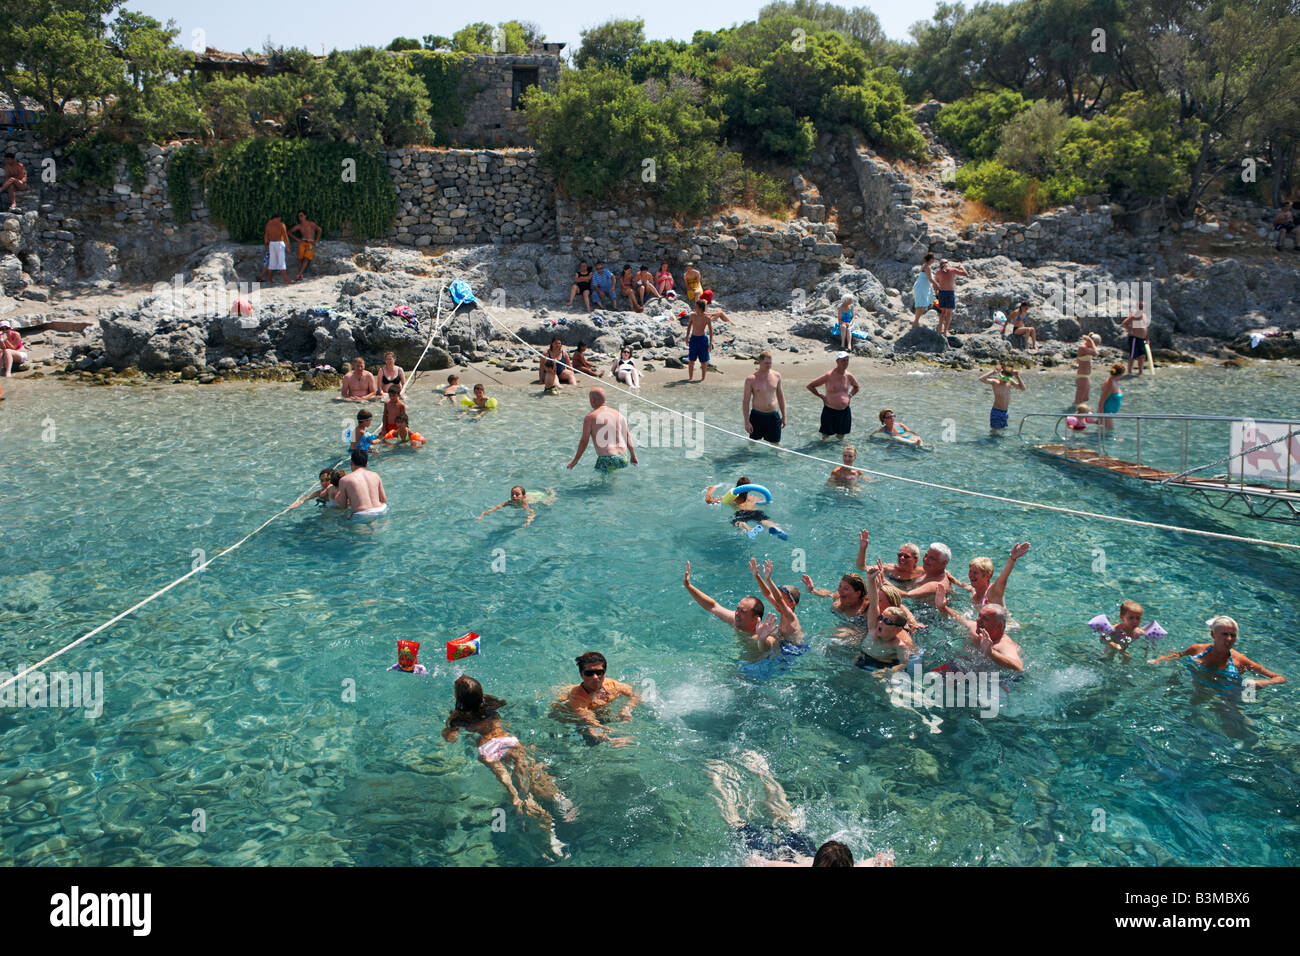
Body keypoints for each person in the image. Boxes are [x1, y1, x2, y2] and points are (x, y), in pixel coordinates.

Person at [444, 674, 571, 855]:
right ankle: (560, 800)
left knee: (514, 788)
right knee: (532, 771)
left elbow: (449, 736)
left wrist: (451, 731)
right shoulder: (490, 704)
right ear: (481, 694)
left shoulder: (458, 717)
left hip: (489, 750)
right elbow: (504, 706)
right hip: (509, 740)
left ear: (458, 699)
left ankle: (544, 828)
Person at [1148, 616, 1285, 692]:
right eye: (1225, 634)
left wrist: (1264, 683)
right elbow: (1178, 655)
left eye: (1233, 635)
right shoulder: (1197, 649)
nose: (1229, 639)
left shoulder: (1240, 660)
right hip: (1196, 685)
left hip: (1224, 691)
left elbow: (1280, 678)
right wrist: (1160, 659)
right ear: (1213, 634)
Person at [558, 651, 640, 746]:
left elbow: (636, 694)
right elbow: (590, 723)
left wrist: (627, 708)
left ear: (604, 673)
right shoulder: (578, 697)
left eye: (599, 672)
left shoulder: (612, 685)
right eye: (589, 673)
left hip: (596, 712)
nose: (595, 677)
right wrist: (615, 737)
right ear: (581, 675)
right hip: (567, 715)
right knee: (589, 731)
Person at [858, 559, 921, 676]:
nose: (880, 621)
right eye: (881, 618)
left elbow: (907, 663)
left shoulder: (902, 643)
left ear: (897, 629)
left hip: (882, 667)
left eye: (886, 621)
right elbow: (873, 603)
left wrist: (887, 672)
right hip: (862, 661)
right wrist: (870, 579)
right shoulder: (874, 626)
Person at [682, 560, 764, 637]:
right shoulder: (735, 620)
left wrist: (762, 640)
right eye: (737, 609)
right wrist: (688, 586)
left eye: (742, 611)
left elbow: (767, 645)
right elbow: (712, 606)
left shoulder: (762, 634)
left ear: (755, 619)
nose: (736, 614)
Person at [939, 603, 1025, 674]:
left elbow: (1019, 666)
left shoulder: (1004, 645)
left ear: (998, 626)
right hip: (964, 667)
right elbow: (959, 618)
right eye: (979, 616)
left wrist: (991, 653)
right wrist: (943, 607)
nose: (978, 620)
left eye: (985, 619)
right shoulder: (975, 628)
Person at [566, 387, 638, 473]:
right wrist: (633, 456)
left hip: (607, 458)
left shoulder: (590, 417)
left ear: (593, 400)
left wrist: (575, 461)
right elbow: (627, 437)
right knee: (613, 480)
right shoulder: (619, 414)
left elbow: (584, 442)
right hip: (623, 457)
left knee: (603, 485)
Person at [705, 476, 787, 539]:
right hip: (755, 512)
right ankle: (776, 528)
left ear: (737, 488)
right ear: (750, 489)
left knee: (739, 522)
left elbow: (708, 500)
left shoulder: (733, 500)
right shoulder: (754, 498)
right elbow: (766, 502)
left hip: (741, 513)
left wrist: (711, 490)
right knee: (764, 520)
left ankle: (749, 529)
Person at [807, 352, 860, 440]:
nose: (845, 363)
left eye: (847, 361)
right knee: (825, 436)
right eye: (843, 360)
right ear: (837, 361)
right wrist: (821, 396)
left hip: (845, 411)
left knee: (841, 436)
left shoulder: (849, 376)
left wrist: (850, 396)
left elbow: (857, 387)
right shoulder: (829, 375)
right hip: (830, 410)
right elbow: (810, 386)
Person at [965, 542, 1030, 610]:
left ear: (987, 576)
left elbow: (1003, 578)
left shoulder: (993, 592)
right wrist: (952, 579)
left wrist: (1012, 559)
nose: (971, 575)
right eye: (970, 571)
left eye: (975, 572)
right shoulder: (974, 591)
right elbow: (962, 584)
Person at [742, 351, 786, 445]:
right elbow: (746, 402)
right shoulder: (751, 379)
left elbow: (781, 397)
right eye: (766, 363)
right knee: (753, 444)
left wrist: (784, 416)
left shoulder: (777, 376)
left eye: (770, 363)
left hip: (773, 416)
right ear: (759, 361)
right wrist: (746, 422)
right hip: (757, 416)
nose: (769, 365)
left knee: (775, 444)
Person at [899, 542, 957, 607]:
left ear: (944, 563)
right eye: (926, 555)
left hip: (925, 613)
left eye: (932, 558)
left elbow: (906, 595)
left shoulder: (936, 585)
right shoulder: (932, 571)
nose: (925, 559)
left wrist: (885, 581)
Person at [336, 448, 388, 521]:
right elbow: (383, 499)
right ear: (367, 463)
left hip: (362, 514)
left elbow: (343, 506)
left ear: (351, 462)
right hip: (381, 510)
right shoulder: (375, 475)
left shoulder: (344, 480)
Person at [477, 485, 555, 527]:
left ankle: (552, 491)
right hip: (529, 494)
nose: (514, 496)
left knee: (550, 501)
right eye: (512, 494)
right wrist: (484, 513)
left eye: (517, 495)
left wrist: (528, 521)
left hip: (538, 497)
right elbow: (497, 507)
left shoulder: (524, 503)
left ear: (523, 496)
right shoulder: (510, 502)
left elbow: (532, 513)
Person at [979, 363, 1025, 431]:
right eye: (1004, 378)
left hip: (1005, 412)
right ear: (1001, 375)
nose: (1005, 380)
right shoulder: (995, 382)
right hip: (996, 412)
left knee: (1003, 430)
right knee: (995, 432)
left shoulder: (1010, 382)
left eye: (1008, 378)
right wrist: (993, 371)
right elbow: (981, 379)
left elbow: (1023, 388)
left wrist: (1017, 376)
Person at [933, 258, 968, 335]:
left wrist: (936, 294)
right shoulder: (952, 270)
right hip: (949, 293)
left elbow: (935, 285)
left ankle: (939, 330)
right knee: (949, 314)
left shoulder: (938, 273)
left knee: (943, 312)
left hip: (941, 293)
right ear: (947, 264)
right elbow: (965, 274)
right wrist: (961, 267)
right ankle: (945, 331)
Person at [685, 299, 716, 383]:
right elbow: (689, 327)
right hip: (694, 339)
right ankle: (690, 378)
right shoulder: (692, 315)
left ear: (700, 308)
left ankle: (702, 378)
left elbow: (710, 331)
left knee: (704, 361)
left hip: (703, 340)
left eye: (696, 306)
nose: (694, 307)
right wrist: (687, 337)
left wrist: (710, 344)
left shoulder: (707, 318)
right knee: (691, 360)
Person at [289, 211, 321, 281]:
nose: (300, 218)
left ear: (305, 216)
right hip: (303, 242)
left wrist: (315, 241)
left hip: (310, 243)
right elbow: (290, 232)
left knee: (306, 258)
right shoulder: (299, 226)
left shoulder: (311, 223)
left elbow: (319, 230)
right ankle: (300, 275)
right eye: (299, 216)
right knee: (300, 259)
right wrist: (298, 240)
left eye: (301, 216)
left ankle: (299, 274)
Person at [259, 213, 290, 284]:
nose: (280, 219)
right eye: (279, 218)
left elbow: (266, 235)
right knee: (282, 262)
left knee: (271, 262)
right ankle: (285, 279)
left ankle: (270, 280)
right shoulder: (281, 225)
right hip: (279, 244)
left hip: (271, 244)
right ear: (277, 218)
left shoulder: (268, 224)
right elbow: (285, 236)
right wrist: (288, 246)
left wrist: (267, 244)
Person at [1120, 302, 1150, 375]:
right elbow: (1124, 323)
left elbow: (1146, 327)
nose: (1142, 308)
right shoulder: (1134, 315)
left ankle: (1140, 371)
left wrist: (1147, 338)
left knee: (1142, 356)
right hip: (1135, 338)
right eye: (1140, 307)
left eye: (1142, 307)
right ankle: (1129, 372)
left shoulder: (1144, 316)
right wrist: (1130, 330)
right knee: (1133, 355)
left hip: (1142, 339)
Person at [1074, 333, 1101, 406]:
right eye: (1096, 344)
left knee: (1086, 398)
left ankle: (1082, 415)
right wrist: (1091, 342)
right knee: (1078, 401)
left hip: (1086, 376)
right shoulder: (1082, 348)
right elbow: (1096, 353)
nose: (1095, 346)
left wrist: (1091, 342)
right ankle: (1074, 415)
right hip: (1082, 376)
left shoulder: (1087, 348)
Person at [912, 253, 936, 327]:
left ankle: (916, 321)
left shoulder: (924, 265)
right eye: (933, 259)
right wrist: (938, 286)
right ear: (931, 259)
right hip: (922, 287)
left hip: (922, 287)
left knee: (921, 304)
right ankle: (915, 322)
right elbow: (930, 279)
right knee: (921, 305)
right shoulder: (927, 267)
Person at [1099, 362, 1125, 430]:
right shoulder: (1110, 383)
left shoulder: (1114, 381)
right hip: (1107, 413)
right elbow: (1101, 402)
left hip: (1111, 413)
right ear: (1121, 374)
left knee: (1107, 432)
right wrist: (1101, 417)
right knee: (1109, 433)